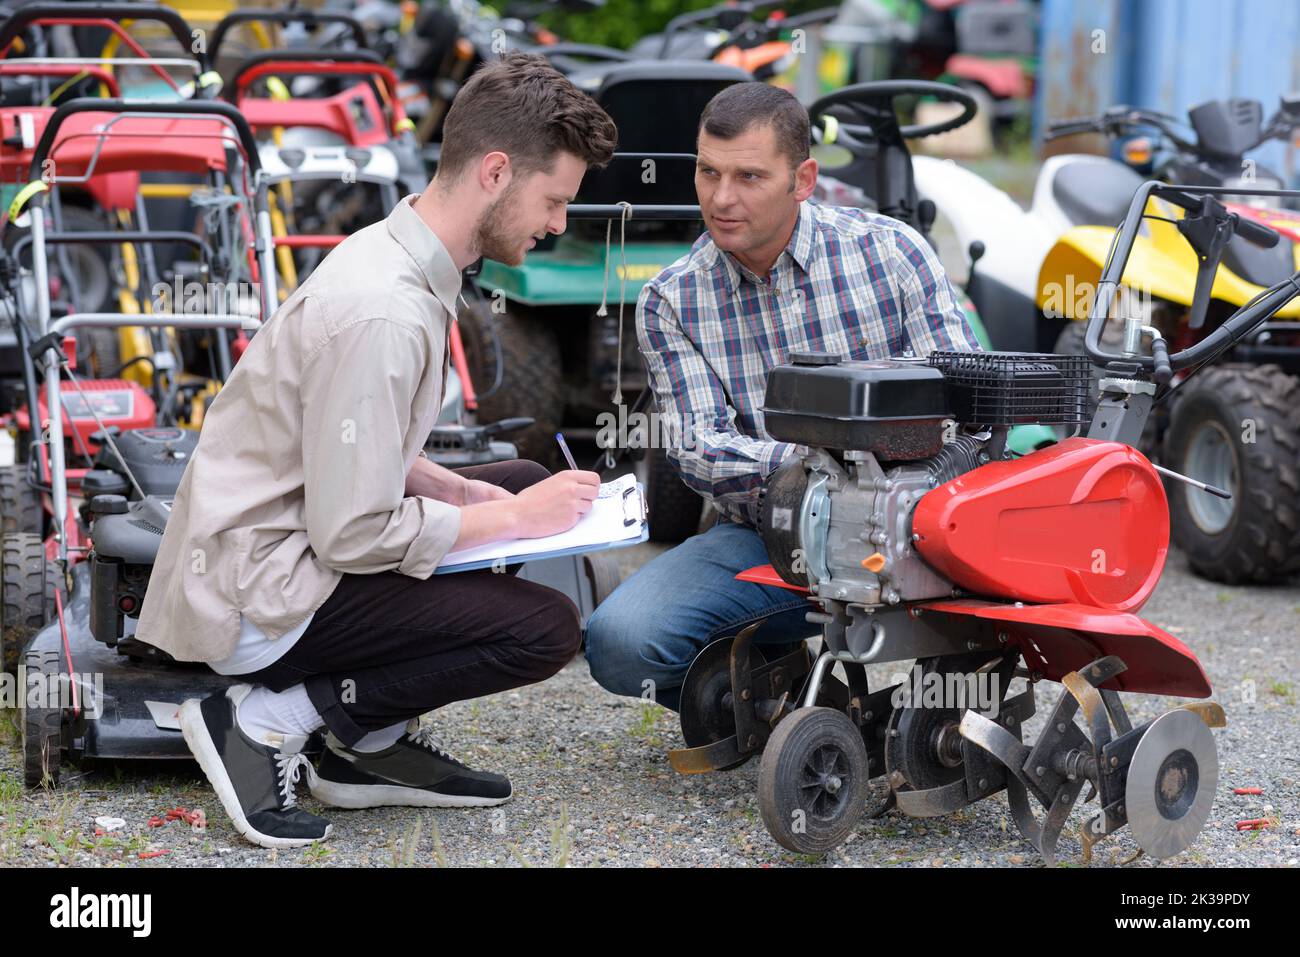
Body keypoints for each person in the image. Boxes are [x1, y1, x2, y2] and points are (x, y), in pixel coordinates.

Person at [135, 53, 618, 848]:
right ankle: (263, 721)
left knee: (521, 481)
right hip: (261, 592)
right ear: (496, 172)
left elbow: (344, 448)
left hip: (283, 536)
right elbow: (353, 532)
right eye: (555, 200)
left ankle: (364, 743)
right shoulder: (385, 313)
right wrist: (506, 521)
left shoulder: (400, 253)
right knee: (545, 628)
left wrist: (461, 492)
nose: (559, 223)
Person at [583, 82, 980, 712]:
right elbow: (699, 449)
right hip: (773, 536)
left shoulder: (891, 252)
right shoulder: (671, 300)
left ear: (803, 180)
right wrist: (829, 468)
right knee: (622, 643)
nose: (721, 198)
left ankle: (949, 714)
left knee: (1026, 575)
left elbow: (966, 406)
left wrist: (869, 476)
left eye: (748, 176)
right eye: (708, 172)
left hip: (920, 528)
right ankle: (781, 693)